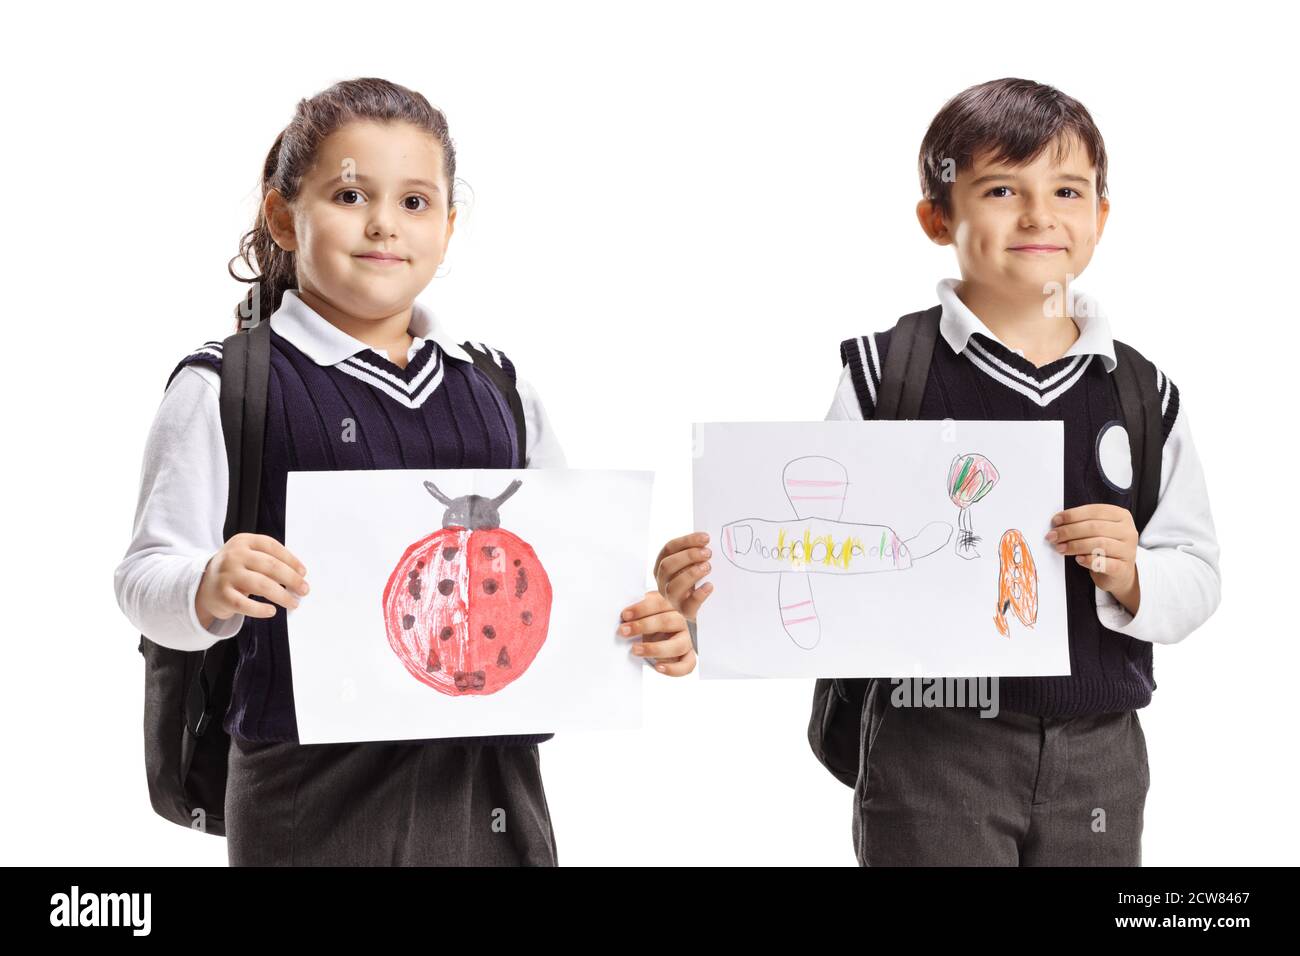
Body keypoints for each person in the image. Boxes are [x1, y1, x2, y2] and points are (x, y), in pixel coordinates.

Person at [114, 77, 696, 866]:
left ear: (450, 228)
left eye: (416, 202)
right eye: (351, 194)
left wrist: (649, 617)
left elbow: (557, 571)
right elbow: (144, 577)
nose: (385, 223)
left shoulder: (496, 386)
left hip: (489, 782)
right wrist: (206, 584)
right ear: (284, 216)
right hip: (307, 793)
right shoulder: (225, 386)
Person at [655, 77, 1221, 866]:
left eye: (1066, 189)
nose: (1037, 215)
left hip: (1102, 750)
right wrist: (717, 596)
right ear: (937, 215)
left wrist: (1133, 578)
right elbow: (821, 541)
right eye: (999, 188)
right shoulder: (889, 372)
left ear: (1100, 216)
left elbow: (1196, 572)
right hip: (933, 742)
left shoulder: (1141, 391)